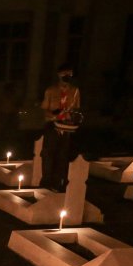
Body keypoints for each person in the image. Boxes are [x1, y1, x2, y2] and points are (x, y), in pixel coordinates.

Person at [40, 62, 81, 191]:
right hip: (52, 125)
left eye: (69, 74)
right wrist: (54, 114)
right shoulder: (51, 91)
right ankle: (46, 181)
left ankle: (59, 182)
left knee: (63, 155)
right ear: (59, 75)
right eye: (64, 74)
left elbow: (76, 109)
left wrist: (72, 117)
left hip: (67, 127)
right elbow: (44, 110)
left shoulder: (75, 91)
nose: (67, 76)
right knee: (48, 154)